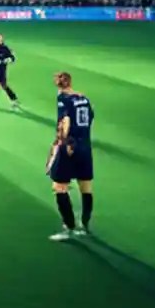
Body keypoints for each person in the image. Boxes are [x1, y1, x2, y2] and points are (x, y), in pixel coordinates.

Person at [47, 72, 95, 241]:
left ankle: (69, 227)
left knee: (59, 187)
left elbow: (65, 120)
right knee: (86, 187)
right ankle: (85, 225)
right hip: (85, 146)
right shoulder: (84, 98)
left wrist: (63, 141)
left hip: (70, 145)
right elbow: (91, 118)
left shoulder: (63, 99)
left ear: (58, 83)